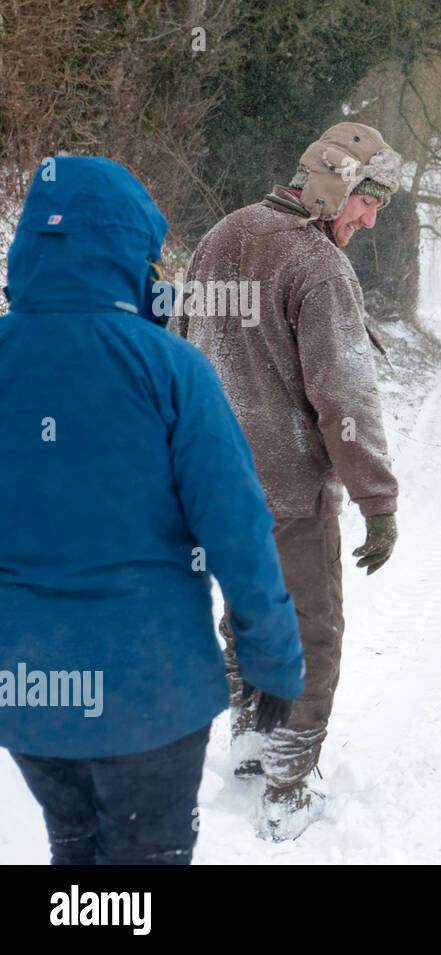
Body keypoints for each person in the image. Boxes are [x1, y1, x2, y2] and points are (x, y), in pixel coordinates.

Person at [0, 156, 304, 864]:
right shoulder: (171, 369)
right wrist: (274, 661)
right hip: (150, 690)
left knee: (75, 851)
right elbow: (237, 528)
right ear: (129, 254)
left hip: (27, 689)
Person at [176, 122, 401, 840]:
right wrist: (379, 500)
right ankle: (288, 783)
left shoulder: (220, 237)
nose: (368, 219)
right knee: (311, 631)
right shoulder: (318, 266)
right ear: (334, 182)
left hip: (213, 488)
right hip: (287, 493)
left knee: (247, 616)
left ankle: (250, 736)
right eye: (367, 201)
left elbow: (180, 348)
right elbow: (346, 399)